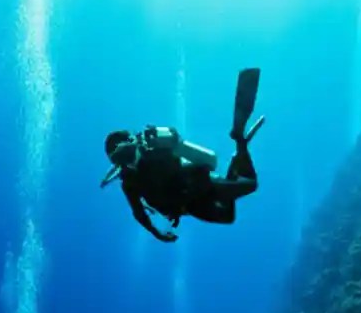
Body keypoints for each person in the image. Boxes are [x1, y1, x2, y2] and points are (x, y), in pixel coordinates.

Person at [99, 68, 265, 243]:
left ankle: (239, 144)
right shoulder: (130, 179)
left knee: (249, 186)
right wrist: (158, 233)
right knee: (228, 215)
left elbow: (139, 213)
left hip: (195, 189)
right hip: (189, 201)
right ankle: (238, 151)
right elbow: (139, 213)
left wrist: (158, 234)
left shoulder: (137, 164)